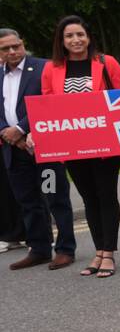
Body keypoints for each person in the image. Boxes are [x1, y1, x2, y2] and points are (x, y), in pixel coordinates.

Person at [40, 16, 120, 277]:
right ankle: (99, 250)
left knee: (106, 195)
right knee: (89, 198)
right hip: (72, 145)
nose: (75, 40)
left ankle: (109, 253)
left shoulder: (106, 63)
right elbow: (47, 107)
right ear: (62, 40)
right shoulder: (51, 69)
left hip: (105, 143)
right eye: (69, 36)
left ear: (88, 38)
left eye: (80, 34)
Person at [0, 27, 75, 270]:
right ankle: (39, 248)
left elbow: (51, 102)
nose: (12, 51)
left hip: (45, 149)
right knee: (28, 200)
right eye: (5, 48)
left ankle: (64, 248)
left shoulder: (44, 67)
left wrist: (20, 129)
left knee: (55, 198)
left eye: (16, 45)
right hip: (14, 151)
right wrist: (8, 133)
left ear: (22, 43)